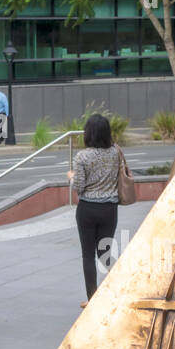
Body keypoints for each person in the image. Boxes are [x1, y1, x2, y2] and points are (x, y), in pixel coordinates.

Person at [67, 113, 121, 306]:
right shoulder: (115, 152)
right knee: (105, 252)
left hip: (87, 210)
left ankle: (92, 298)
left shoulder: (82, 156)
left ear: (88, 133)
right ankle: (111, 294)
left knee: (88, 255)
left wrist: (71, 176)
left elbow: (79, 186)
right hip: (109, 209)